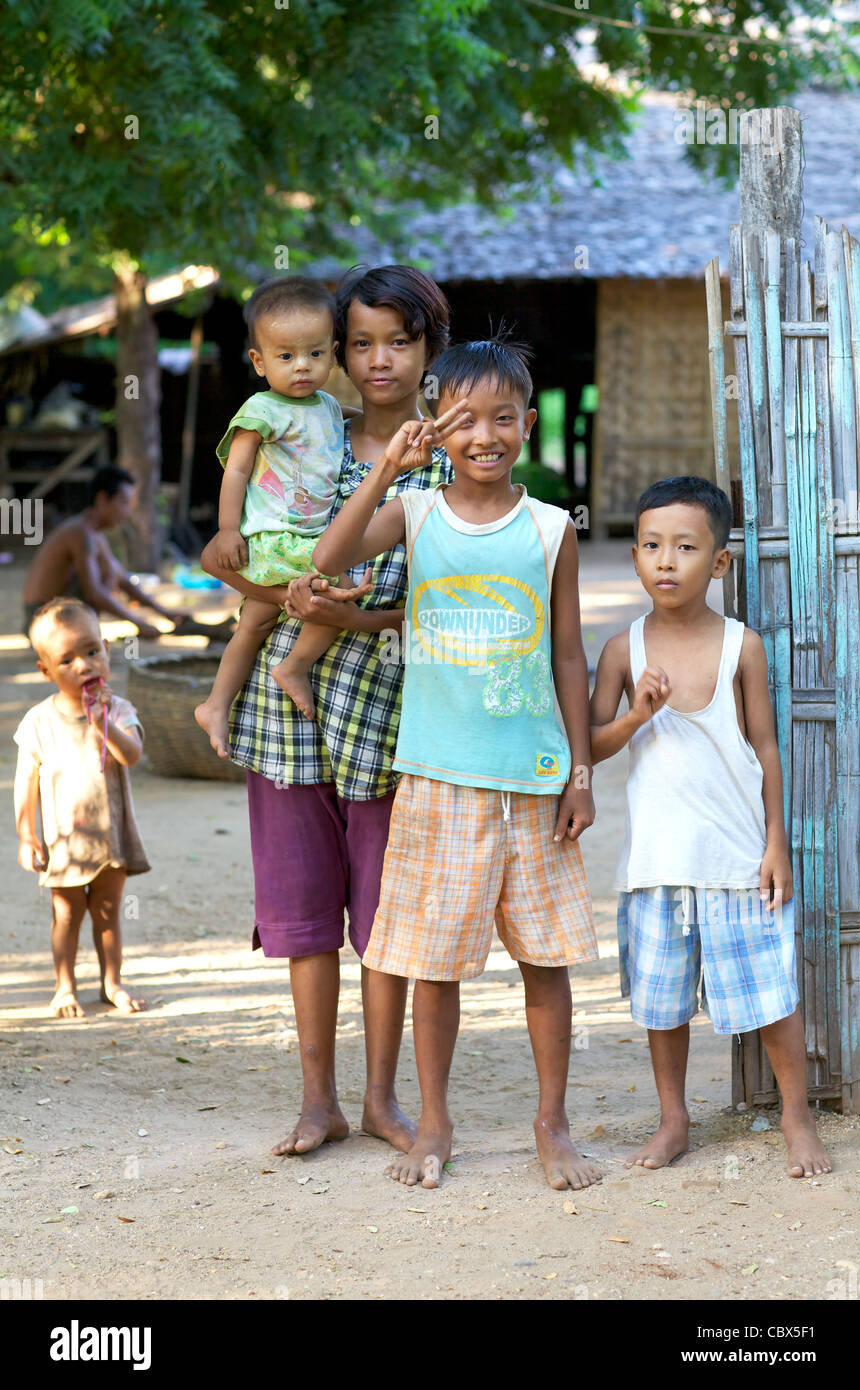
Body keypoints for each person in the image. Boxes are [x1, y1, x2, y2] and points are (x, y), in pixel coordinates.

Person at [313, 335, 600, 1193]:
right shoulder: (419, 512)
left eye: (502, 418)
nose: (485, 435)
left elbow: (570, 657)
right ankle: (432, 1121)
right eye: (464, 419)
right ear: (436, 425)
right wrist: (388, 470)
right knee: (434, 964)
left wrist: (581, 771)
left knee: (545, 962)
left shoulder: (552, 530)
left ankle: (551, 1123)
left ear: (529, 422)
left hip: (533, 779)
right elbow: (329, 561)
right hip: (437, 778)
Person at [202, 264, 453, 1159]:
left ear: (430, 347)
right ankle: (320, 1101)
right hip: (288, 707)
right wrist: (265, 583)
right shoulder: (303, 432)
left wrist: (358, 616)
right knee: (305, 912)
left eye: (400, 341)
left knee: (387, 917)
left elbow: (463, 607)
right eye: (360, 343)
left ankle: (385, 1100)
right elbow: (222, 554)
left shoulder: (458, 461)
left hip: (393, 714)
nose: (378, 360)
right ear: (336, 351)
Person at [588, 475, 832, 1180]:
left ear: (719, 563)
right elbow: (594, 745)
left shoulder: (740, 648)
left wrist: (777, 842)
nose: (666, 561)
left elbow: (765, 746)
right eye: (652, 546)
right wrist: (637, 714)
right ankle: (674, 1118)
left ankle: (796, 1114)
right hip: (658, 863)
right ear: (634, 555)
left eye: (686, 547)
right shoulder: (621, 652)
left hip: (735, 858)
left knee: (769, 995)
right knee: (662, 1004)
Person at [194, 276, 369, 757]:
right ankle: (294, 664)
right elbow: (237, 471)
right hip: (277, 538)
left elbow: (344, 419)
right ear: (259, 361)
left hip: (303, 534)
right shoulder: (262, 409)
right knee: (340, 591)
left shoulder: (329, 406)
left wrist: (370, 418)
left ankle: (215, 704)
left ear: (332, 353)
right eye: (286, 356)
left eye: (315, 354)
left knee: (251, 625)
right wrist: (229, 529)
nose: (301, 368)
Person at [14, 598, 150, 1019]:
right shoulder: (38, 722)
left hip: (110, 839)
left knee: (108, 916)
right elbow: (26, 781)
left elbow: (132, 755)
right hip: (64, 843)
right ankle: (64, 987)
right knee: (66, 915)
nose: (84, 665)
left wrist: (103, 724)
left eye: (92, 652)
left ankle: (112, 982)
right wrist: (27, 835)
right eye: (67, 659)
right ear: (46, 671)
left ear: (108, 649)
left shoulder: (119, 710)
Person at [22, 466, 186, 640]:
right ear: (102, 499)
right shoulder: (80, 533)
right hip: (43, 622)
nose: (127, 512)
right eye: (123, 503)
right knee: (105, 572)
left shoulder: (94, 534)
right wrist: (138, 622)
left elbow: (123, 580)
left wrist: (165, 612)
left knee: (110, 569)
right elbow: (93, 592)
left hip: (54, 616)